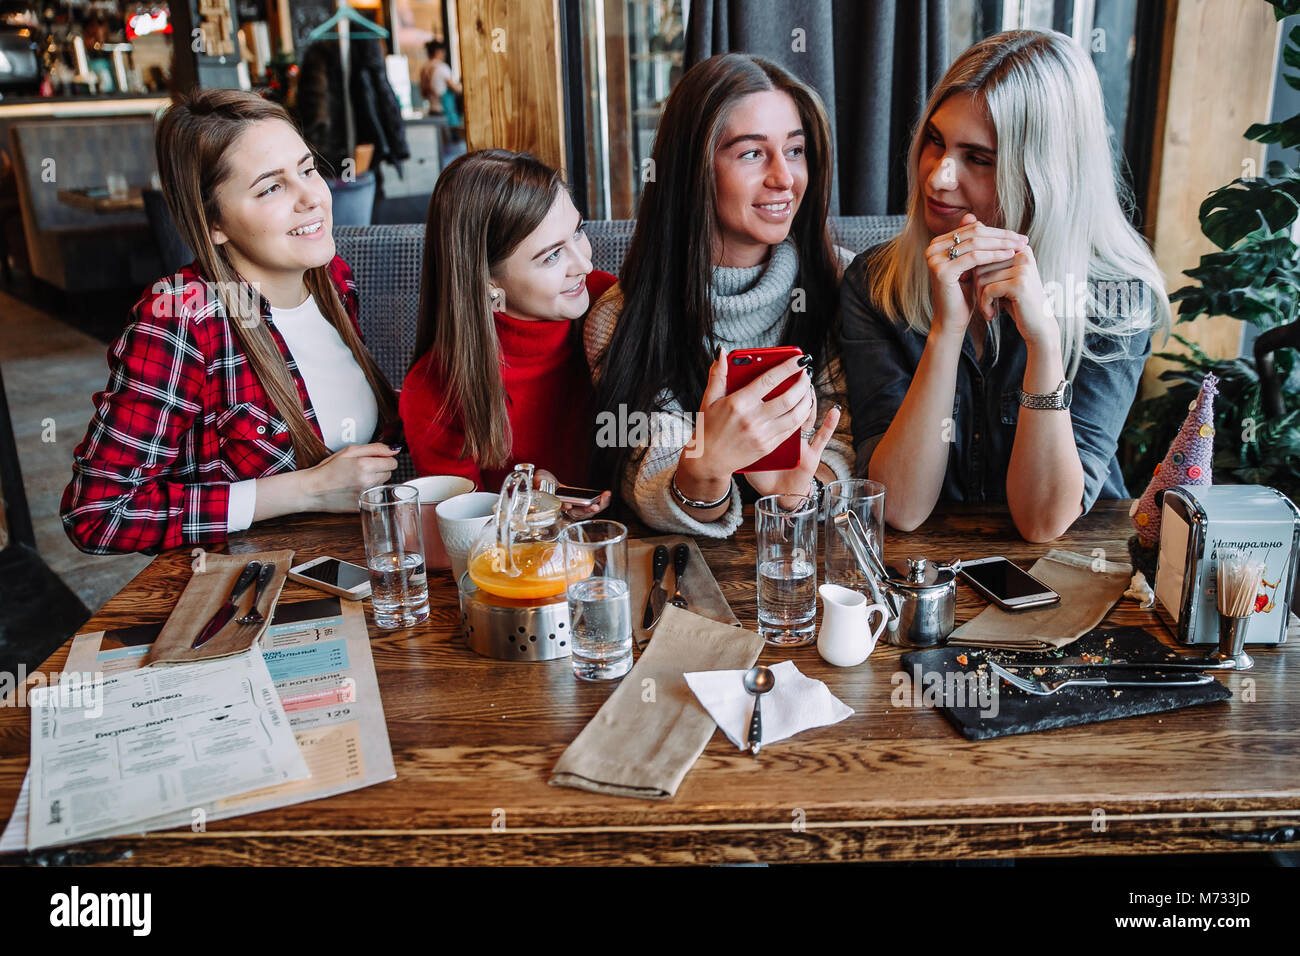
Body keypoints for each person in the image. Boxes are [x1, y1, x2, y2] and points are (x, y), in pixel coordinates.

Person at [840, 30, 1169, 542]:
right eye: (935, 141)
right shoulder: (875, 282)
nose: (938, 178)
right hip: (921, 569)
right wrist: (946, 334)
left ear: (1047, 177)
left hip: (1073, 571)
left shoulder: (1116, 301)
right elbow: (900, 506)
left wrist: (1044, 345)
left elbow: (1043, 522)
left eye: (979, 158)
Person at [61, 89, 401, 555]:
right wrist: (306, 491)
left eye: (307, 170)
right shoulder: (182, 317)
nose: (312, 198)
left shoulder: (331, 279)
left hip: (356, 562)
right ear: (213, 223)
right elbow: (97, 515)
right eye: (271, 188)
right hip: (251, 583)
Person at [586, 53, 854, 538]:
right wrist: (707, 467)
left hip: (808, 559)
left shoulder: (842, 283)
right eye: (751, 154)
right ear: (694, 170)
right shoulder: (621, 315)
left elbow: (847, 442)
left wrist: (801, 492)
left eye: (795, 150)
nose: (784, 177)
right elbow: (651, 474)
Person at [400, 149, 615, 512]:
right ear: (487, 283)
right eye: (552, 255)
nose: (584, 264)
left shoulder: (611, 304)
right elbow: (462, 530)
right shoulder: (434, 393)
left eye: (578, 231)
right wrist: (525, 508)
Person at [419, 40, 462, 125]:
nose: (444, 55)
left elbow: (423, 93)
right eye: (443, 53)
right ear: (438, 52)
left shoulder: (424, 69)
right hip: (444, 111)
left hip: (432, 111)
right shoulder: (442, 67)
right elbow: (456, 89)